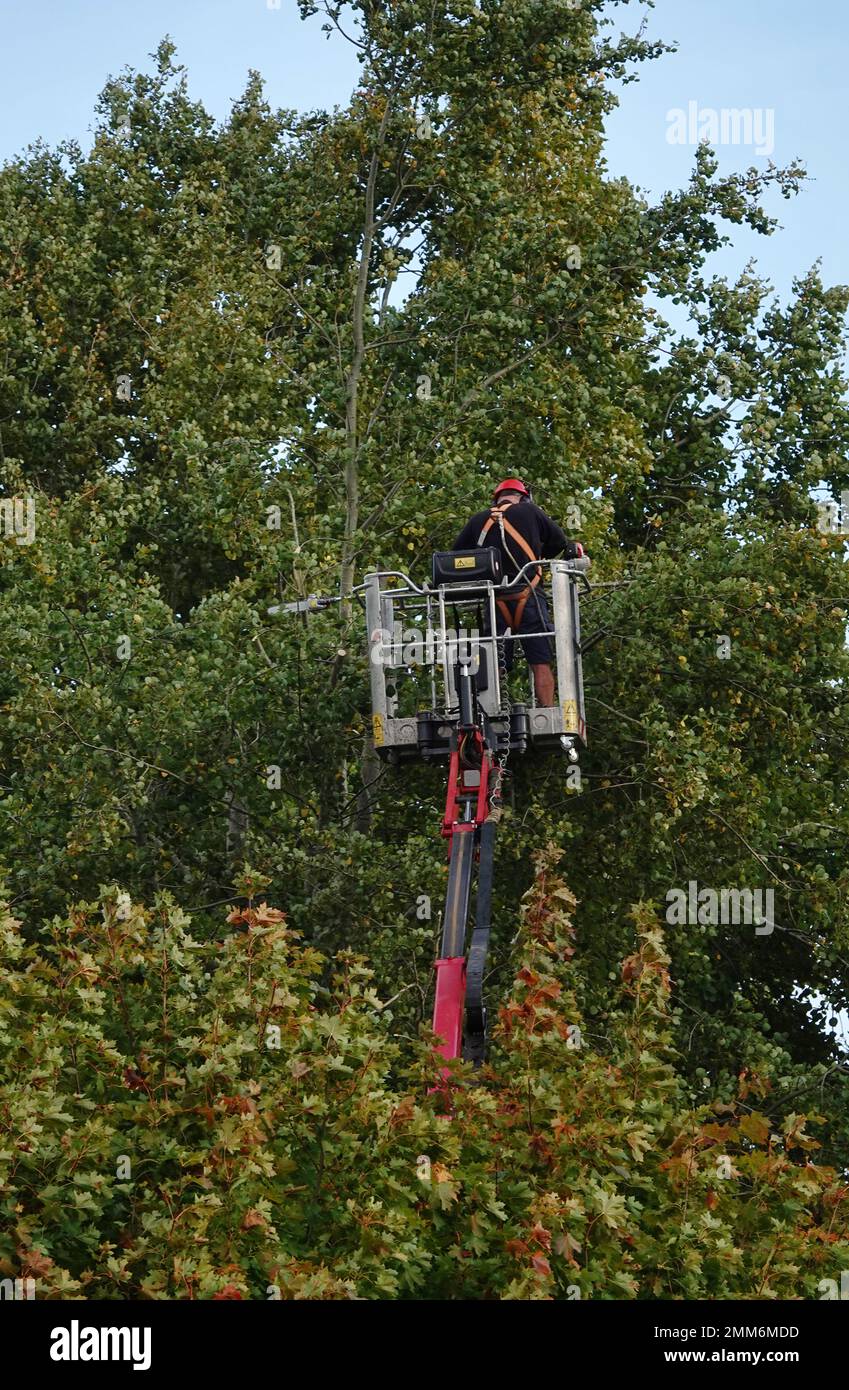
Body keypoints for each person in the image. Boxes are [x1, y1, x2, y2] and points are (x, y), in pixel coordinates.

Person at [451, 478, 585, 707]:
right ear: (523, 497)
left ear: (496, 499)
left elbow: (456, 558)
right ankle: (548, 710)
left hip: (495, 600)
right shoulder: (531, 511)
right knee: (540, 660)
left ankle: (490, 709)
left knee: (495, 662)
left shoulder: (478, 521)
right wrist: (535, 552)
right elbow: (560, 542)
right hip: (529, 595)